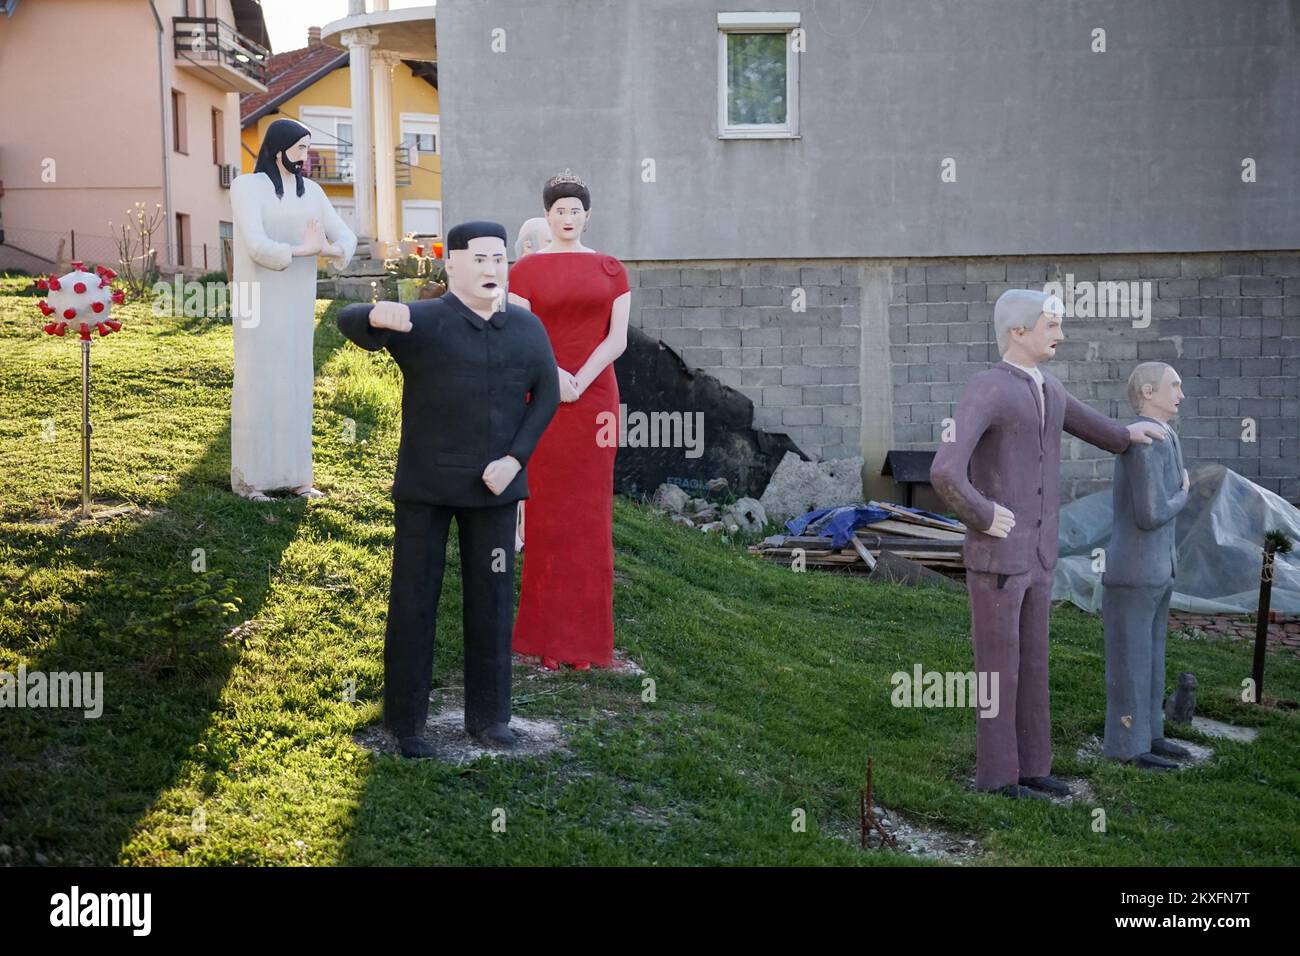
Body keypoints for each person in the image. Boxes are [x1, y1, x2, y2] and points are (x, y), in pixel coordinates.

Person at [930, 289, 1167, 799]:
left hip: (1039, 555)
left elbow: (1100, 429)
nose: (1060, 335)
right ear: (1019, 331)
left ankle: (1034, 766)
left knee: (1035, 664)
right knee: (998, 668)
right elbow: (945, 470)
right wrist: (985, 515)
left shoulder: (1049, 390)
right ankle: (997, 776)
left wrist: (1134, 433)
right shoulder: (987, 388)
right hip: (997, 557)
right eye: (1051, 325)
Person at [336, 221, 559, 757]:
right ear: (451, 264)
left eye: (498, 259)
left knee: (493, 601)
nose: (490, 269)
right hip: (426, 487)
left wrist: (515, 460)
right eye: (478, 259)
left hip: (495, 489)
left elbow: (547, 395)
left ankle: (491, 718)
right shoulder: (425, 320)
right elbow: (348, 322)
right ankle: (406, 722)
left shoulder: (528, 329)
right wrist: (372, 313)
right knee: (414, 601)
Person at [510, 170, 631, 670]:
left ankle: (587, 644)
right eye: (558, 210)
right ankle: (543, 639)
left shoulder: (611, 269)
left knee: (589, 518)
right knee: (546, 517)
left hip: (596, 399)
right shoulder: (525, 273)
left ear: (587, 215)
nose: (566, 218)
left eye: (574, 210)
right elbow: (522, 332)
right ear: (547, 216)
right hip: (543, 394)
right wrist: (556, 374)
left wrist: (580, 376)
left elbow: (617, 339)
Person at [229, 119, 355, 501]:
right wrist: (306, 250)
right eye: (300, 148)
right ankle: (251, 479)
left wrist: (325, 248)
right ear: (278, 148)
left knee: (296, 383)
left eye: (307, 149)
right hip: (258, 300)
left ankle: (298, 476)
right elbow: (256, 245)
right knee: (259, 383)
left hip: (297, 303)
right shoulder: (247, 187)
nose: (306, 157)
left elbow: (345, 237)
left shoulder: (312, 192)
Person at [1103, 362, 1191, 769]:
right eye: (1174, 385)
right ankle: (1127, 744)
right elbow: (1151, 512)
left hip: (1156, 569)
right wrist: (1184, 494)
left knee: (1152, 657)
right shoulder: (1144, 440)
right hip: (1134, 571)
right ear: (1149, 391)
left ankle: (1151, 735)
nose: (1181, 394)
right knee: (1130, 662)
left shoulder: (1164, 435)